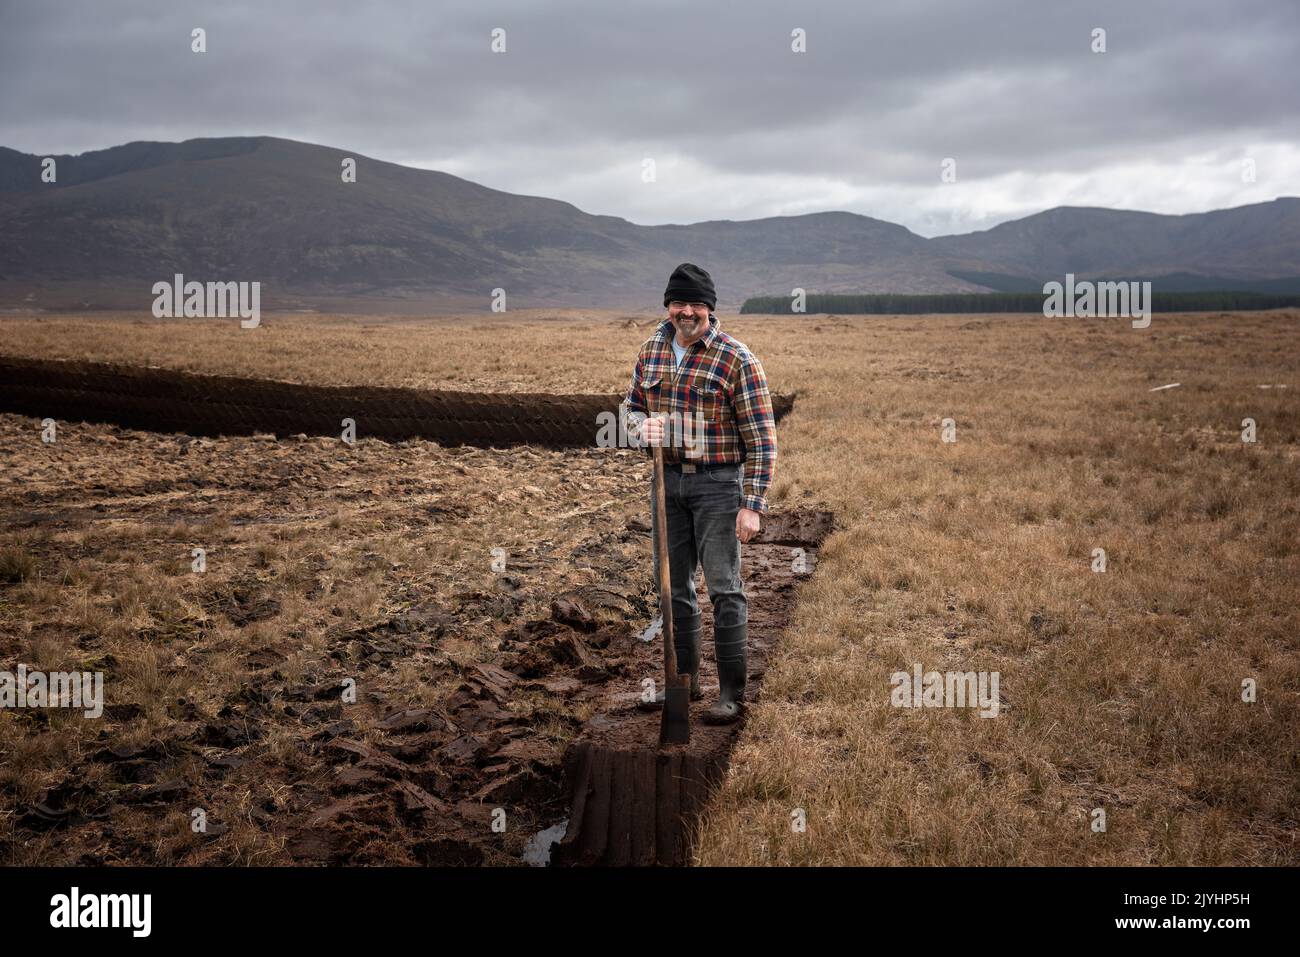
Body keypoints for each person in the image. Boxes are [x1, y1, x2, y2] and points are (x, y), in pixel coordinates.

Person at [624, 263, 777, 724]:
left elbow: (762, 440)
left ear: (710, 308)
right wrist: (637, 427)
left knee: (725, 588)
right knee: (672, 588)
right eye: (679, 303)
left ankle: (730, 693)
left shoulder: (736, 359)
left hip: (717, 486)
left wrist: (752, 505)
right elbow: (631, 407)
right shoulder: (652, 347)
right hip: (666, 483)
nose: (686, 312)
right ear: (668, 305)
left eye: (696, 305)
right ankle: (683, 683)